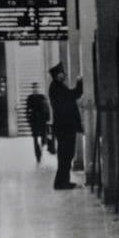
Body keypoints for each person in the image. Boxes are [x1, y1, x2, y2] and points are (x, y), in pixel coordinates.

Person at [47, 62, 83, 190]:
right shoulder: (57, 87)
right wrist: (79, 84)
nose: (64, 75)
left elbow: (71, 96)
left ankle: (63, 181)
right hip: (65, 127)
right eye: (62, 73)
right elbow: (73, 95)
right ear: (57, 75)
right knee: (65, 155)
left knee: (65, 155)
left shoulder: (57, 87)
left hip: (64, 126)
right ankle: (61, 182)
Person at [25, 82, 51, 163]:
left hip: (42, 120)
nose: (35, 89)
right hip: (34, 121)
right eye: (34, 88)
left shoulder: (42, 97)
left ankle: (41, 146)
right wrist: (28, 119)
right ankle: (37, 155)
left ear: (38, 88)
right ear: (32, 89)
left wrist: (48, 118)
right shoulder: (30, 98)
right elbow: (27, 109)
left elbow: (47, 108)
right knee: (35, 138)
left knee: (43, 137)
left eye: (36, 88)